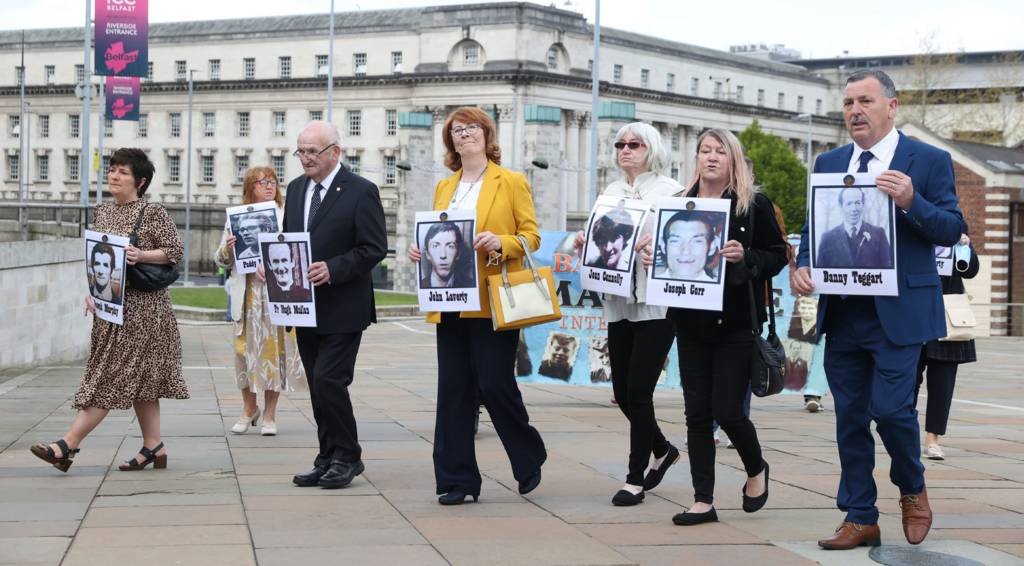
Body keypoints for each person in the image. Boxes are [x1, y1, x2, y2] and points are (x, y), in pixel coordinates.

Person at [793, 70, 965, 550]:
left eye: (864, 100)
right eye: (847, 103)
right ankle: (859, 515)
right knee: (849, 418)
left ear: (892, 106)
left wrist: (911, 201)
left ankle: (911, 486)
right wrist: (804, 266)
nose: (854, 111)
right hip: (844, 312)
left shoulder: (928, 160)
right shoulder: (828, 162)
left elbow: (951, 227)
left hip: (899, 312)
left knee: (891, 411)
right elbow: (813, 231)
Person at [407, 106, 546, 505]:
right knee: (453, 389)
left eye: (471, 128)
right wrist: (421, 249)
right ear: (450, 141)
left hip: (491, 300)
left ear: (487, 135)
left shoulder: (511, 181)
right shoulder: (444, 187)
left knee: (494, 383)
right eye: (456, 130)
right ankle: (457, 479)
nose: (463, 134)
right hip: (448, 300)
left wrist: (501, 243)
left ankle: (527, 453)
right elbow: (437, 232)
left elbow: (531, 236)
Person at [30, 148, 188, 472]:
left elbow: (175, 252)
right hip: (110, 310)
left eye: (123, 172)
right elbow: (96, 261)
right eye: (112, 170)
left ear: (140, 181)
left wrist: (141, 255)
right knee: (141, 383)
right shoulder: (101, 212)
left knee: (110, 379)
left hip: (145, 313)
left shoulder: (152, 212)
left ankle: (67, 445)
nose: (114, 176)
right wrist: (94, 294)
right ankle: (153, 446)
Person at [663, 128, 787, 526]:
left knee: (729, 411)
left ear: (733, 159)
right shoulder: (680, 204)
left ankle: (756, 468)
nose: (711, 157)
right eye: (704, 151)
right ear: (696, 158)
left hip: (735, 323)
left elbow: (778, 255)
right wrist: (654, 258)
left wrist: (746, 256)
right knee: (696, 413)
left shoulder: (753, 205)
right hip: (690, 321)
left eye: (720, 151)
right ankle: (703, 499)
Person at [574, 121, 683, 506]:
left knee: (640, 391)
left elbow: (682, 246)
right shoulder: (611, 191)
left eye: (634, 144)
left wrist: (660, 250)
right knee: (622, 392)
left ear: (651, 148)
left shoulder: (671, 191)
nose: (626, 150)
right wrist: (583, 241)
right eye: (621, 144)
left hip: (655, 303)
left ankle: (634, 479)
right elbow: (599, 239)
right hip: (618, 302)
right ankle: (663, 448)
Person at [281, 121, 388, 490]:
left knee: (330, 380)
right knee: (316, 384)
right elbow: (290, 242)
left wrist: (334, 267)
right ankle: (326, 455)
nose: (306, 158)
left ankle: (348, 456)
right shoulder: (295, 190)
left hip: (344, 306)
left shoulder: (361, 191)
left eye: (313, 151)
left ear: (335, 152)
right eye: (301, 151)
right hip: (304, 306)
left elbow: (374, 248)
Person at [215, 166, 306, 437]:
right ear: (249, 188)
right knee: (243, 354)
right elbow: (219, 260)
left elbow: (296, 251)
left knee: (273, 353)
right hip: (247, 296)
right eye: (261, 182)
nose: (269, 186)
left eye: (273, 181)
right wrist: (228, 249)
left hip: (276, 296)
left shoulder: (285, 215)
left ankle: (269, 414)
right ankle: (248, 408)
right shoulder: (236, 218)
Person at [915, 234, 979, 460]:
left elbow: (970, 270)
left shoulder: (954, 226)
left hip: (947, 312)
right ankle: (906, 434)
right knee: (907, 380)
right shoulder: (909, 218)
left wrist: (966, 245)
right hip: (914, 308)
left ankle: (933, 439)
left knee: (943, 382)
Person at [815, 187, 892, 268]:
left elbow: (888, 269)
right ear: (841, 207)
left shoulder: (879, 234)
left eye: (857, 203)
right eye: (849, 204)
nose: (854, 209)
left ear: (863, 205)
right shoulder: (827, 238)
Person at [655, 210, 720, 282]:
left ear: (711, 247)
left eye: (697, 241)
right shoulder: (654, 284)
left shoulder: (718, 291)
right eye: (675, 241)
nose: (685, 251)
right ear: (664, 246)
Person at [420, 221, 474, 288]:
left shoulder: (470, 286)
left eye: (450, 246)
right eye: (435, 246)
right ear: (427, 253)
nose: (443, 255)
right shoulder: (421, 287)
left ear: (458, 253)